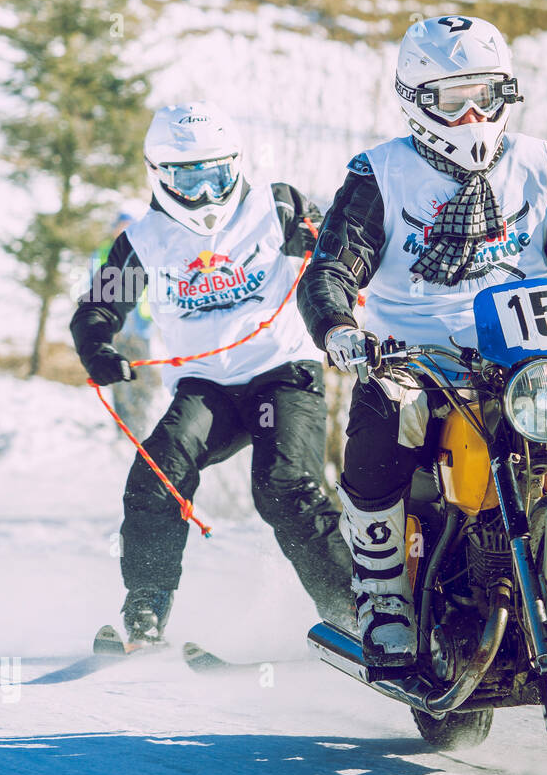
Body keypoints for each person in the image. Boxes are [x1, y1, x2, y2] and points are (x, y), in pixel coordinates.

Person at [296, 17, 547, 684]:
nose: (473, 113)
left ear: (508, 90)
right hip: (416, 360)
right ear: (417, 100)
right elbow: (332, 266)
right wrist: (339, 328)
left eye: (485, 93)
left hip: (532, 363)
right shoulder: (380, 176)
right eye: (453, 99)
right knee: (385, 416)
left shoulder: (543, 166)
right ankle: (384, 594)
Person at [71, 101, 356, 644]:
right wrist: (96, 348)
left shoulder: (280, 207)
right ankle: (147, 608)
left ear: (237, 163)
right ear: (159, 174)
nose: (205, 193)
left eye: (216, 175)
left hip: (282, 374)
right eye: (188, 179)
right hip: (207, 390)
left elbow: (347, 252)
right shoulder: (145, 240)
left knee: (284, 485)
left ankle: (354, 614)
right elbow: (98, 307)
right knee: (159, 470)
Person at [92, 210, 160, 437]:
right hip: (118, 328)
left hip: (141, 327)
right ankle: (123, 428)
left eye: (128, 226)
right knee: (120, 375)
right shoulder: (103, 253)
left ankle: (141, 422)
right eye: (121, 226)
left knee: (143, 375)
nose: (124, 231)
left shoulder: (145, 251)